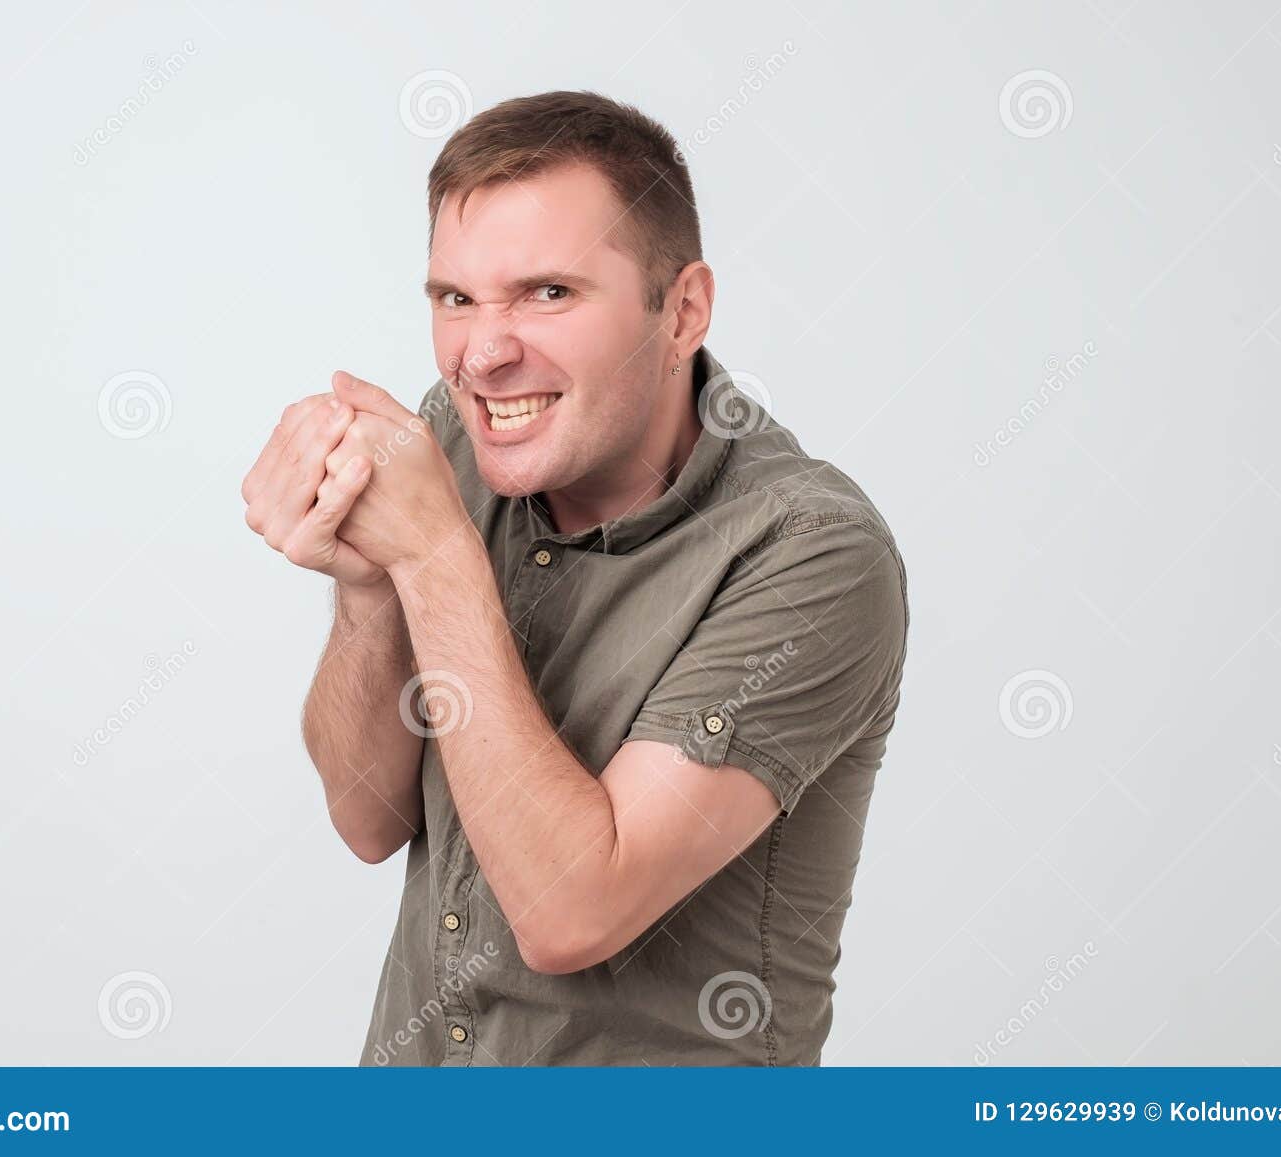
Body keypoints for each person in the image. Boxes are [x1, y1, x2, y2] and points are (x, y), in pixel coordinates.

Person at [240, 90, 909, 1065]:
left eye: (547, 292)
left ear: (681, 309)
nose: (484, 352)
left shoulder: (810, 551)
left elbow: (571, 911)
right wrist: (369, 586)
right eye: (454, 297)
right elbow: (367, 816)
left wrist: (432, 556)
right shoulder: (449, 445)